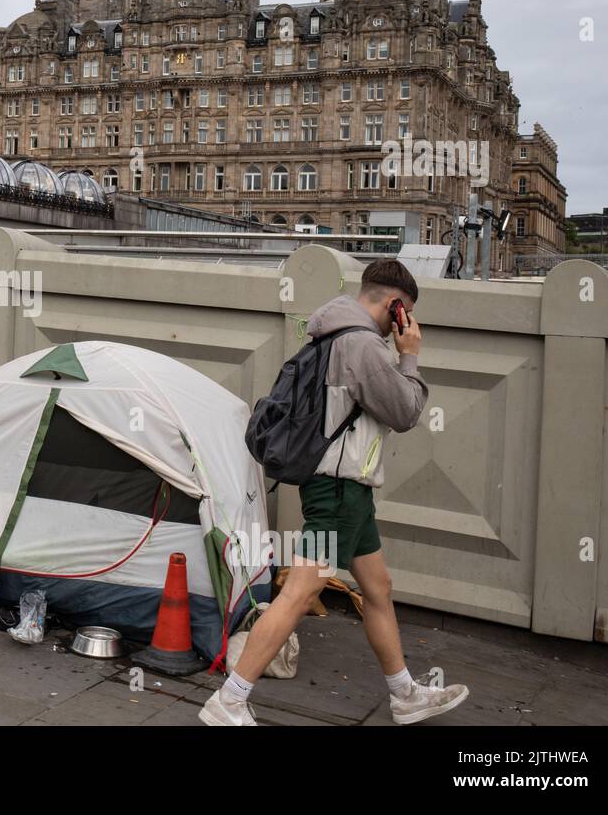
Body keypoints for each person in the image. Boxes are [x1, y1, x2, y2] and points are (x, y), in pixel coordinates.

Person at [200, 258, 469, 726]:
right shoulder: (362, 345)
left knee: (378, 588)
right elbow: (405, 412)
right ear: (396, 306)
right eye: (400, 316)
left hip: (350, 495)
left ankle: (404, 694)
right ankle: (230, 699)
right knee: (301, 593)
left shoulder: (330, 334)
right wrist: (410, 354)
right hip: (338, 492)